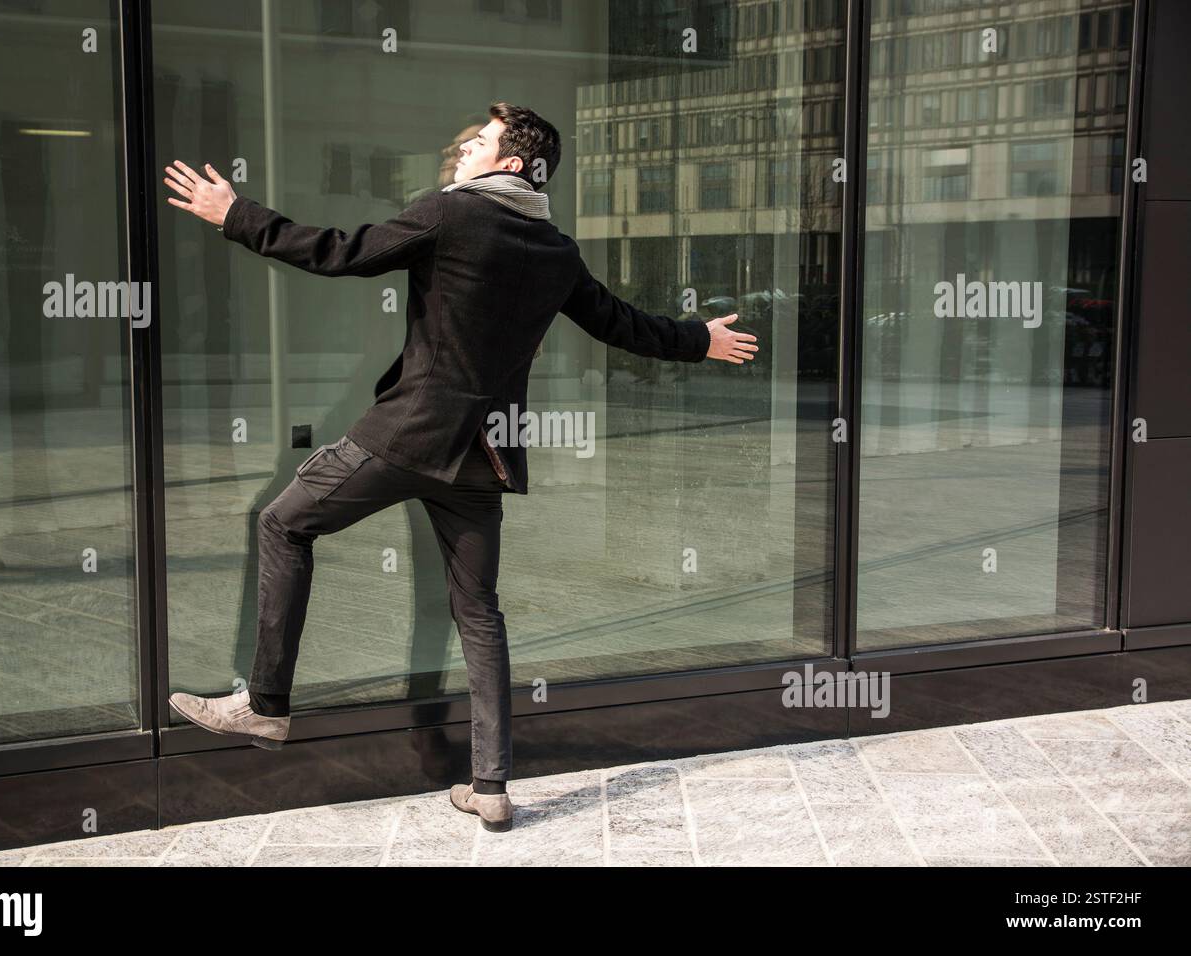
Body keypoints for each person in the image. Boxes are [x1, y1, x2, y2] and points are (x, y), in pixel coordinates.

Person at [162, 102, 757, 833]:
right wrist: (698, 340)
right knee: (479, 612)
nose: (465, 149)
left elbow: (340, 252)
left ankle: (266, 705)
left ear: (512, 162)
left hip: (407, 437)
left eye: (480, 140)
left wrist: (235, 214)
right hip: (484, 454)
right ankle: (491, 785)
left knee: (283, 524)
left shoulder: (451, 213)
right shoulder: (556, 249)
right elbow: (621, 323)